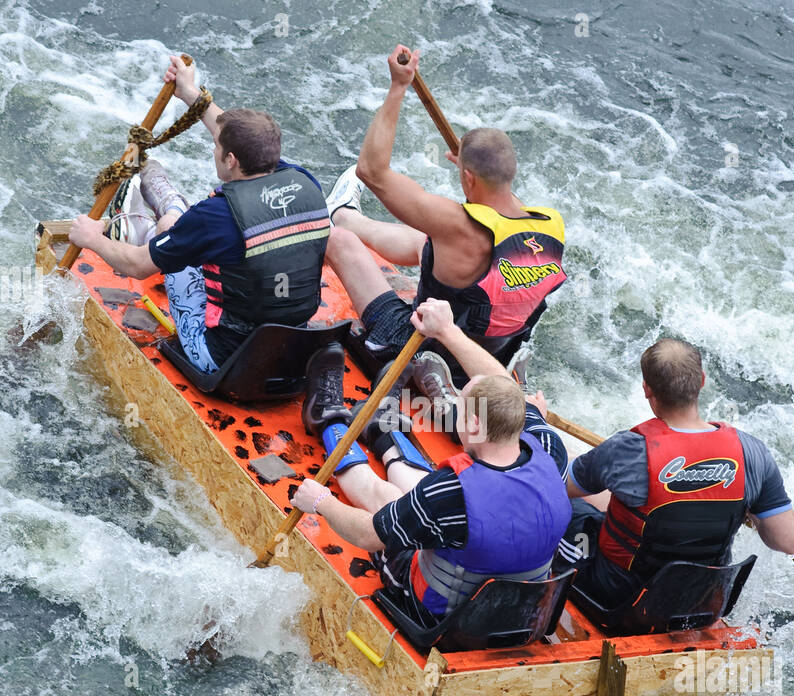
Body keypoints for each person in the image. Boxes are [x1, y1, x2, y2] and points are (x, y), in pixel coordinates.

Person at [294, 299, 573, 627]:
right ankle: (384, 428)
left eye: (459, 406)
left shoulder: (450, 493)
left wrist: (321, 502)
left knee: (387, 501)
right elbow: (508, 393)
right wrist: (447, 331)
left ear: (473, 425)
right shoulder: (550, 448)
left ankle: (328, 420)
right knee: (427, 501)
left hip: (440, 620)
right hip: (519, 616)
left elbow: (369, 535)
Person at [68, 55, 331, 376]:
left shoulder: (216, 215)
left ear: (231, 160)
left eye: (218, 147)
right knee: (201, 238)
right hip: (293, 351)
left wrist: (91, 238)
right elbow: (241, 139)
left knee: (174, 227)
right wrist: (190, 93)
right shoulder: (304, 181)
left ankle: (157, 220)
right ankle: (164, 211)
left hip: (223, 360)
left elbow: (136, 267)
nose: (213, 149)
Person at [323, 44, 568, 387]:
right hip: (489, 358)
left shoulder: (457, 226)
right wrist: (470, 169)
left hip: (424, 354)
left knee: (339, 241)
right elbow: (497, 203)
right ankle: (345, 215)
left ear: (468, 177)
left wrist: (398, 87)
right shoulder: (549, 224)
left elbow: (371, 171)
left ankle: (341, 224)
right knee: (429, 243)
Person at [558, 337, 794, 614]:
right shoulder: (752, 453)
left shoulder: (626, 450)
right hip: (701, 602)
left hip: (620, 599)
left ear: (647, 389)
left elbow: (559, 488)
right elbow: (788, 542)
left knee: (571, 509)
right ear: (702, 381)